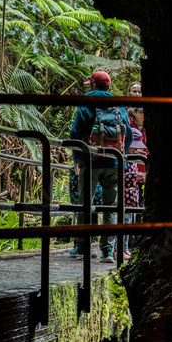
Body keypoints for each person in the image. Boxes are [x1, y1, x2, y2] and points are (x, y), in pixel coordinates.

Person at [68, 70, 133, 263]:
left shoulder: (87, 103)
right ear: (109, 86)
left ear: (93, 85)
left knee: (85, 204)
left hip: (90, 162)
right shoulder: (118, 104)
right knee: (111, 207)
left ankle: (82, 247)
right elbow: (128, 134)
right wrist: (120, 155)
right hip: (114, 162)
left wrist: (77, 160)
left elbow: (75, 134)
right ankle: (107, 251)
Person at [123, 81, 148, 255]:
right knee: (132, 203)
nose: (137, 93)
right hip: (132, 169)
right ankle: (129, 242)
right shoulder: (128, 122)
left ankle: (138, 238)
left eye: (140, 91)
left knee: (142, 203)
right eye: (134, 90)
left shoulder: (148, 126)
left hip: (144, 168)